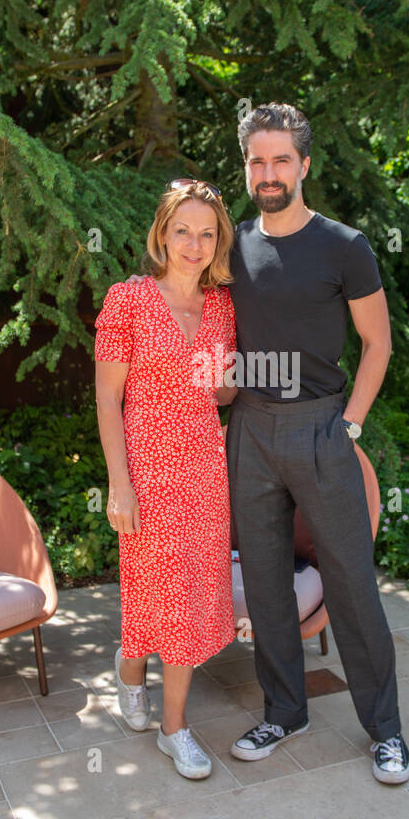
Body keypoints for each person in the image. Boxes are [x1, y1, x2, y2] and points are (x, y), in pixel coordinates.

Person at [226, 103, 409, 784]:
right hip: (248, 429)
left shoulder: (343, 246)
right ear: (246, 168)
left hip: (321, 426)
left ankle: (385, 731)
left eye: (280, 160)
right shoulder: (232, 245)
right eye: (256, 160)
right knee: (266, 581)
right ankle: (284, 710)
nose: (268, 173)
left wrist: (351, 423)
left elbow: (378, 342)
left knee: (352, 584)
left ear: (303, 165)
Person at [94, 180, 238, 779]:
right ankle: (130, 670)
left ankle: (174, 728)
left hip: (205, 466)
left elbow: (223, 394)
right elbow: (107, 402)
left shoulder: (223, 307)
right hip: (147, 471)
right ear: (162, 234)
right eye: (183, 230)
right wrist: (118, 484)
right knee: (151, 588)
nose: (194, 243)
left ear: (218, 242)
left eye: (207, 234)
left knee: (188, 595)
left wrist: (231, 374)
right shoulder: (128, 300)